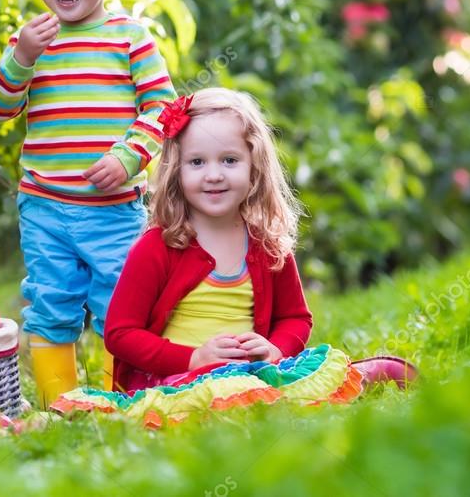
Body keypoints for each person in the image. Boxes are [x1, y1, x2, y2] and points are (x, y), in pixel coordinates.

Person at [0, 0, 176, 407]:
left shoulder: (130, 38)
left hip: (112, 210)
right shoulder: (32, 40)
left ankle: (126, 401)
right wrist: (20, 57)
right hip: (44, 204)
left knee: (123, 304)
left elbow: (163, 108)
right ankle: (62, 404)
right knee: (50, 301)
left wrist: (128, 155)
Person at [103, 88, 313, 393]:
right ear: (176, 171)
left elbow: (295, 318)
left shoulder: (266, 243)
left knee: (318, 371)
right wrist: (193, 359)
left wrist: (275, 350)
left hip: (252, 376)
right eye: (197, 162)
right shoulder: (159, 246)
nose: (213, 175)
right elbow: (120, 333)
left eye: (229, 160)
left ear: (254, 168)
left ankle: (370, 371)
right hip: (177, 381)